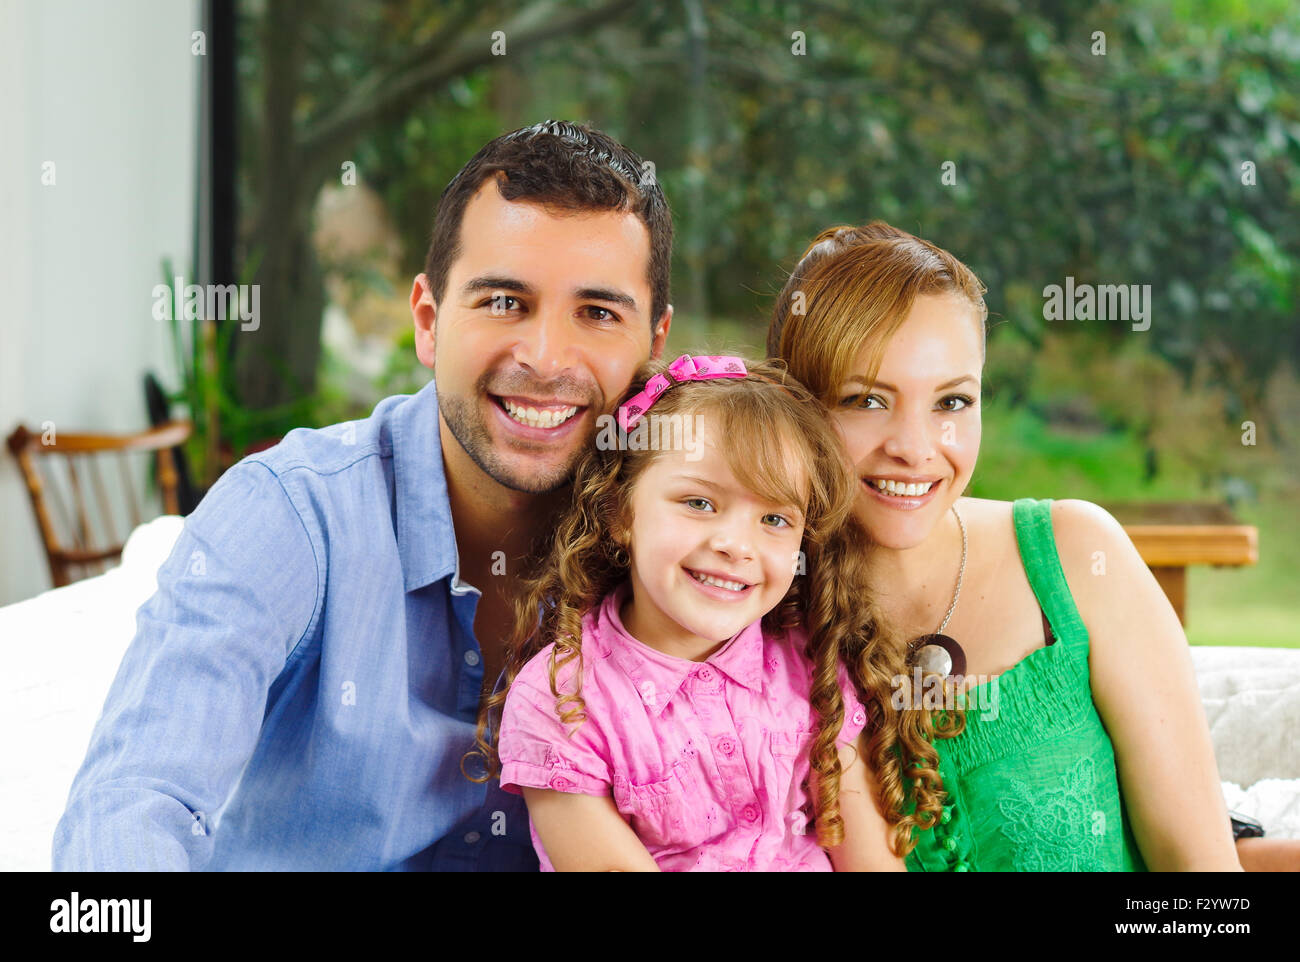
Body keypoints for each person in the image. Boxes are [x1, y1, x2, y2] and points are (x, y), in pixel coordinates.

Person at [52, 120, 674, 871]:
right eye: (504, 300)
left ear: (655, 344)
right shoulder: (290, 515)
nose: (545, 358)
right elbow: (134, 804)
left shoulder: (690, 545)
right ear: (428, 320)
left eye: (598, 313)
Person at [769, 221, 1250, 871]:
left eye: (953, 401)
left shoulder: (1074, 557)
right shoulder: (761, 621)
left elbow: (1203, 875)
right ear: (795, 407)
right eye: (866, 400)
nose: (915, 448)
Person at [471, 354, 939, 871]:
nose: (736, 545)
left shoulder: (811, 663)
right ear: (619, 511)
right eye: (699, 503)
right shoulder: (560, 701)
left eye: (774, 518)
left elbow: (870, 861)